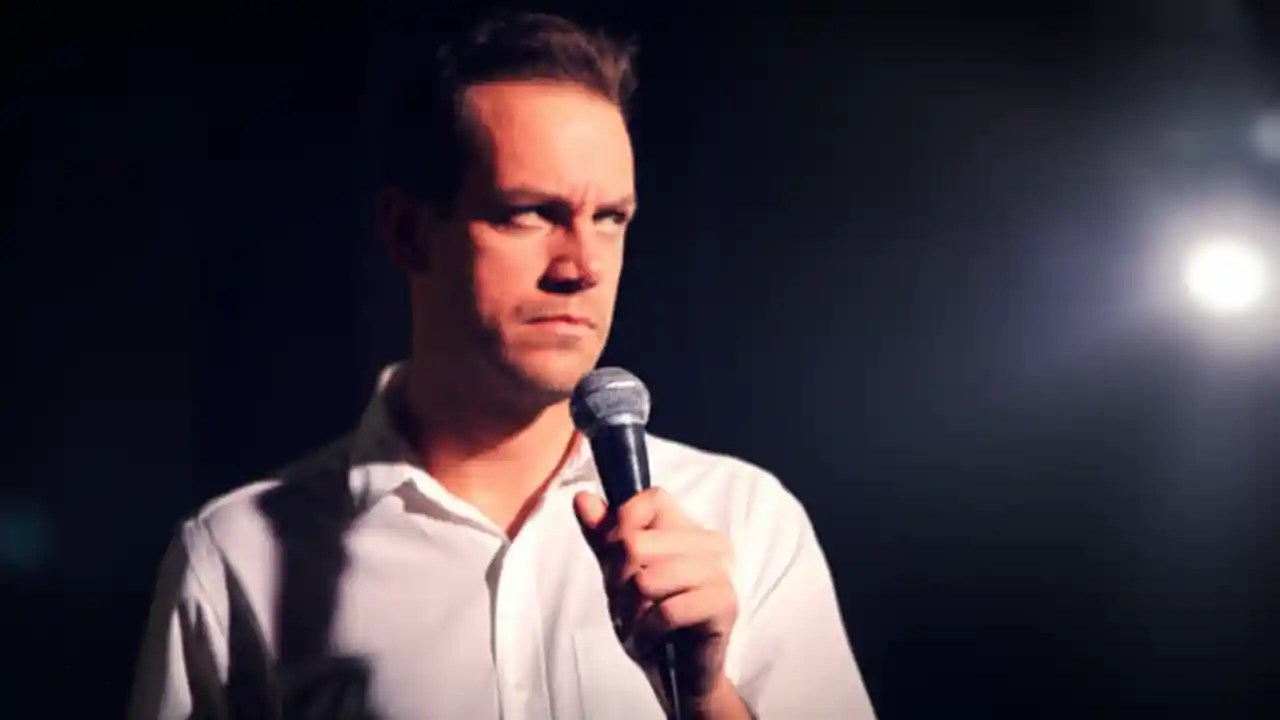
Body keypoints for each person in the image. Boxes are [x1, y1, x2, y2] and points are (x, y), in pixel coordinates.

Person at [129, 9, 876, 719]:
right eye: (529, 213)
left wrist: (706, 695)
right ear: (410, 233)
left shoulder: (746, 522)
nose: (582, 266)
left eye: (610, 219)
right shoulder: (237, 556)